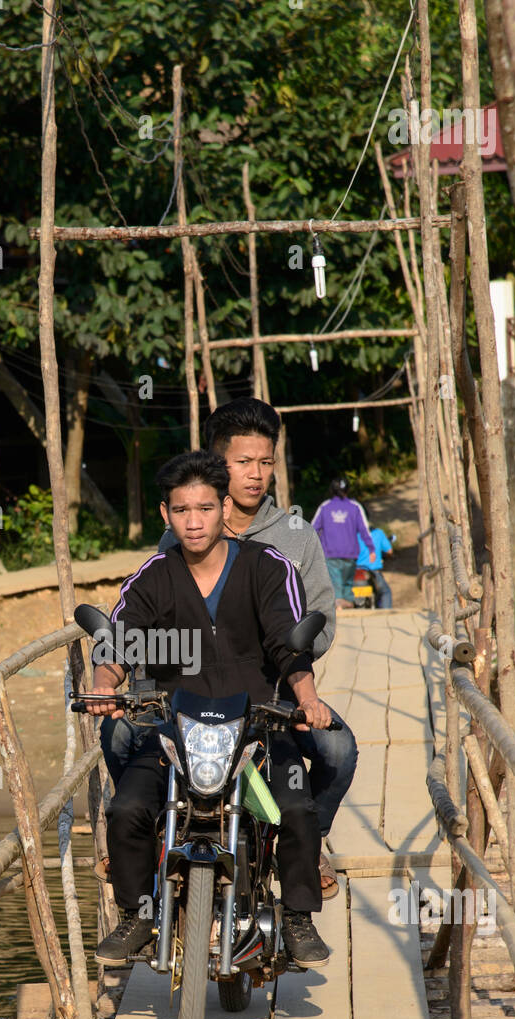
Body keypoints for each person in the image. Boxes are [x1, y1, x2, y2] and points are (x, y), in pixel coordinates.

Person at [101, 397, 358, 900]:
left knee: (338, 749)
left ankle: (306, 845)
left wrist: (283, 654)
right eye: (244, 463)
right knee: (118, 737)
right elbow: (151, 618)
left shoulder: (295, 537)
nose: (257, 475)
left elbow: (319, 623)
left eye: (266, 462)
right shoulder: (178, 537)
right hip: (189, 692)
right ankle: (147, 830)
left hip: (273, 693)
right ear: (220, 467)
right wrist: (131, 681)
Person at [87, 449, 331, 969]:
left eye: (203, 508)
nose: (193, 522)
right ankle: (135, 914)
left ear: (223, 508)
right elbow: (119, 638)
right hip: (174, 729)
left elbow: (292, 643)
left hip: (258, 728)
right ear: (165, 515)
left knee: (296, 809)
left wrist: (306, 697)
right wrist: (103, 685)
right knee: (127, 808)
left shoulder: (268, 568)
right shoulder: (155, 574)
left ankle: (298, 916)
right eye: (181, 511)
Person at [312, 477, 377, 610]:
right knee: (348, 582)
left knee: (335, 581)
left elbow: (312, 528)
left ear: (332, 490)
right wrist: (371, 549)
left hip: (330, 552)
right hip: (350, 553)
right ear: (348, 489)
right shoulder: (355, 507)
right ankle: (348, 604)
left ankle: (339, 605)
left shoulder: (325, 507)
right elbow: (365, 529)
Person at [357, 526, 394, 609]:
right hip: (373, 571)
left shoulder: (353, 532)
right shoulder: (378, 532)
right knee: (385, 592)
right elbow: (389, 551)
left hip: (357, 571)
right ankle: (387, 614)